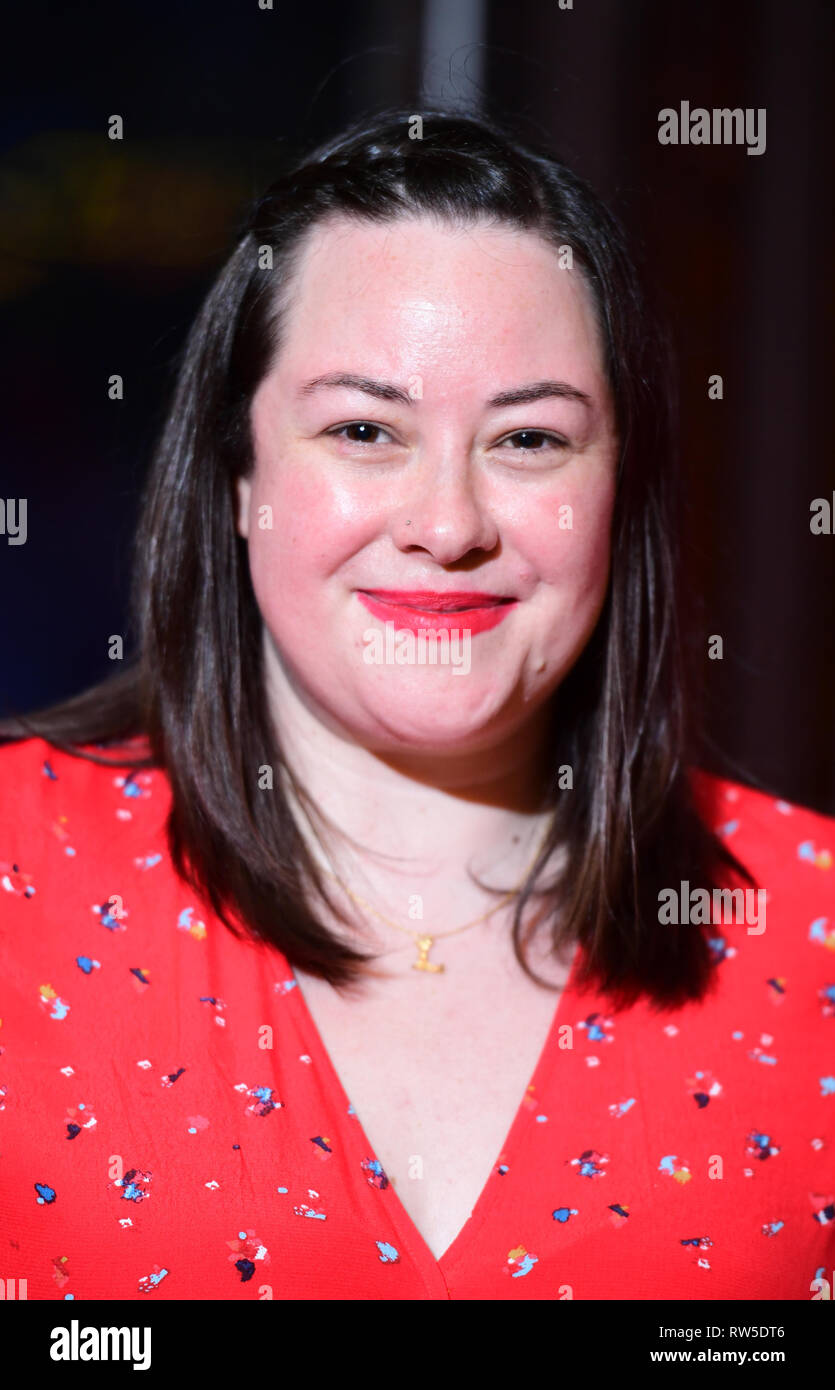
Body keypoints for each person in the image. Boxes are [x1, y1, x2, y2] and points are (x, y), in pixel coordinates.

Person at [1, 106, 833, 1302]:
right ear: (237, 477)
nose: (447, 525)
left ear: (619, 493)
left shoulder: (815, 933)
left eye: (531, 439)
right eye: (363, 429)